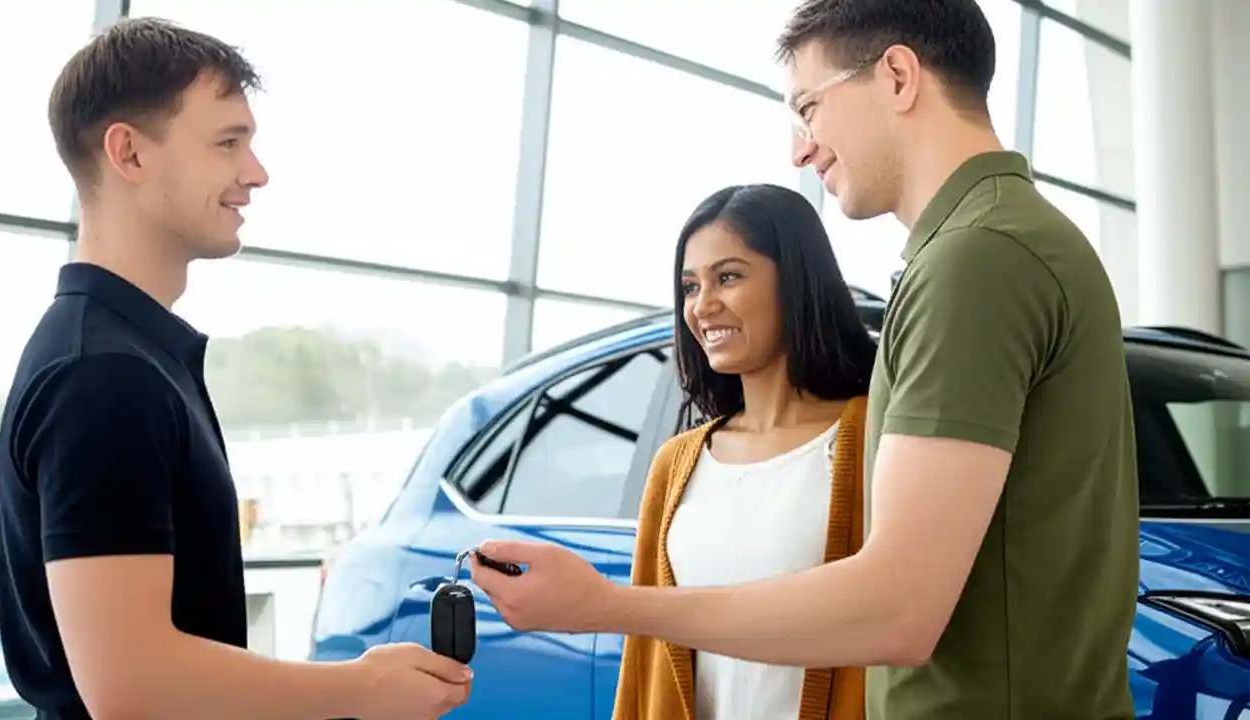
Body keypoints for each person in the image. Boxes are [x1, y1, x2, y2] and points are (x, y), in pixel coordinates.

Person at [469, 1, 1139, 719]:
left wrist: (604, 603)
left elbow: (897, 609)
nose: (801, 149)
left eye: (810, 107)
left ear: (898, 76)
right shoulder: (1019, 239)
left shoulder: (976, 261)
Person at [0, 17, 471, 720]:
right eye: (227, 143)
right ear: (128, 153)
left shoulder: (127, 357)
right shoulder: (103, 376)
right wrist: (361, 689)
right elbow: (131, 685)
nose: (256, 172)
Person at [613, 184, 875, 720]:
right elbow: (641, 666)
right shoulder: (676, 464)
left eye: (727, 277)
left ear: (795, 280)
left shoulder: (871, 436)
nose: (701, 305)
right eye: (690, 286)